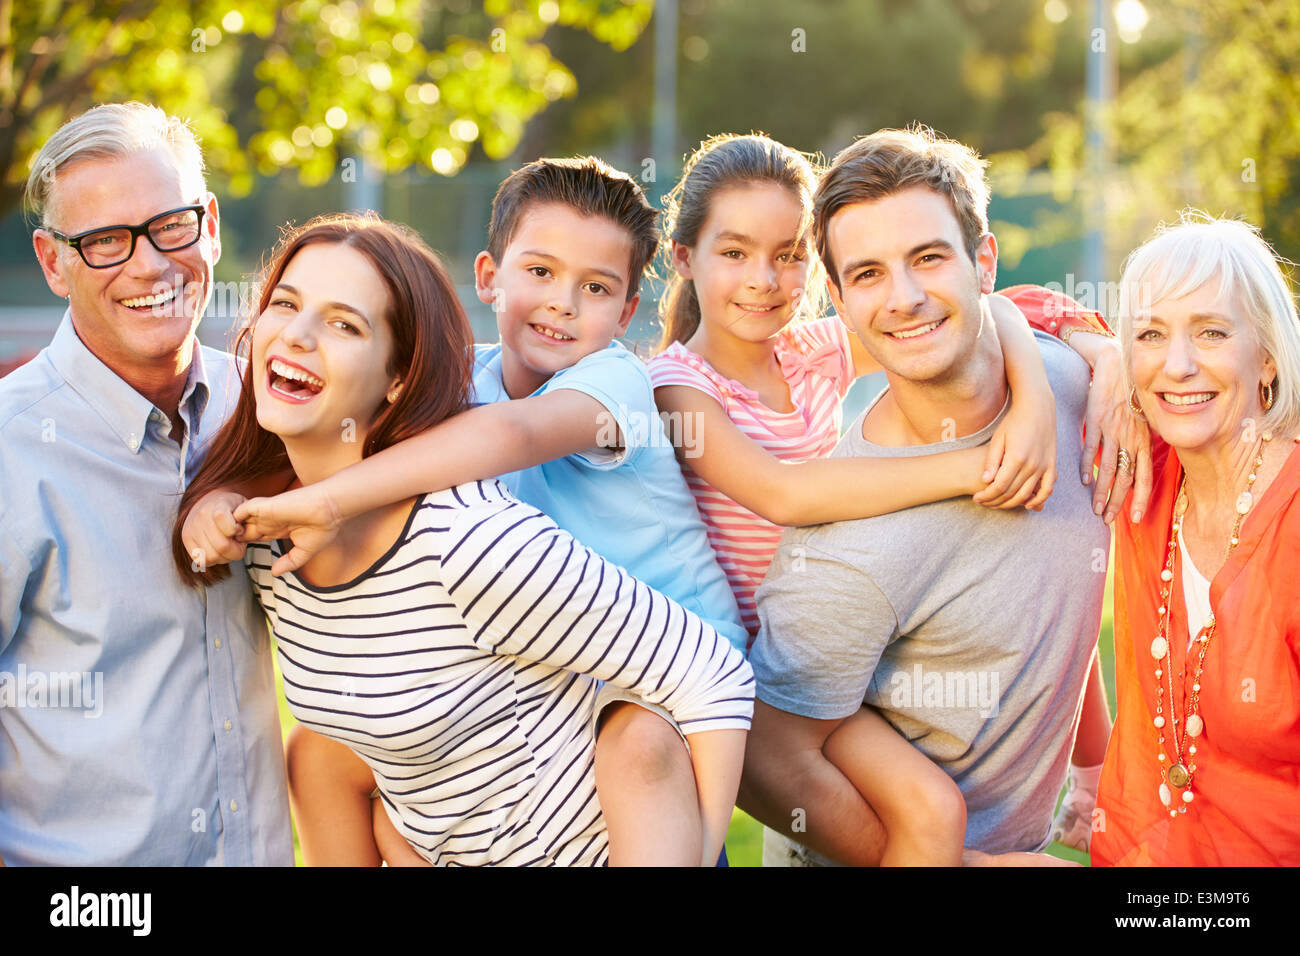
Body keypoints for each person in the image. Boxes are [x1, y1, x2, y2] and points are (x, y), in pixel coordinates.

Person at [182, 158, 747, 865]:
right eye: (540, 272)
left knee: (638, 744)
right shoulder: (463, 384)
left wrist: (327, 501)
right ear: (490, 276)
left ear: (627, 313)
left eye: (595, 287)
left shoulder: (614, 384)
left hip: (674, 687)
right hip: (564, 675)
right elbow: (340, 430)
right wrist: (223, 498)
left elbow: (509, 435)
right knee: (325, 756)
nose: (563, 303)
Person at [738, 125, 1128, 865]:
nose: (906, 298)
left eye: (928, 258)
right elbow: (766, 761)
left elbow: (1051, 590)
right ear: (840, 302)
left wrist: (1094, 764)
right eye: (869, 274)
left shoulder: (1079, 393)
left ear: (983, 262)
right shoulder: (847, 548)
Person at [0, 103, 292, 865]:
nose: (149, 265)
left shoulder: (269, 409)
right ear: (52, 262)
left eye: (171, 225)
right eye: (103, 241)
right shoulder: (10, 450)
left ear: (212, 223)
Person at [1090, 213, 1300, 866]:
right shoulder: (1139, 472)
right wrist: (1099, 354)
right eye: (1151, 335)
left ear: (1266, 355)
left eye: (1210, 332)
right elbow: (1007, 309)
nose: (1177, 366)